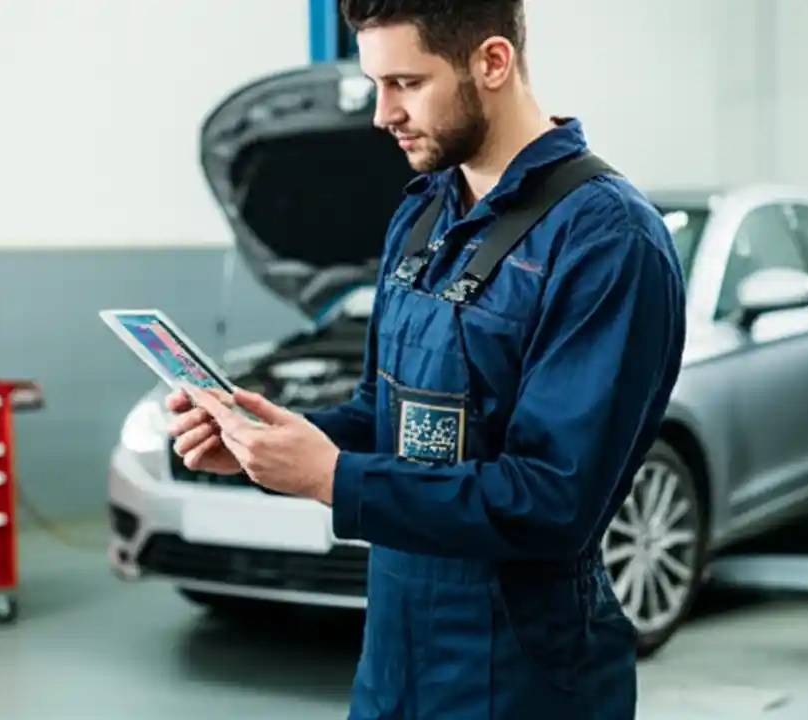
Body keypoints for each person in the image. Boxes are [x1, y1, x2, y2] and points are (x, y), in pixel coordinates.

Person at [167, 0, 686, 717]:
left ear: (493, 62)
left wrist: (333, 478)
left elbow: (552, 502)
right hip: (395, 659)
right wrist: (268, 440)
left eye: (406, 83)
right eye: (378, 83)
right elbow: (385, 416)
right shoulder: (421, 216)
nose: (383, 114)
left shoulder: (608, 240)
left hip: (522, 674)